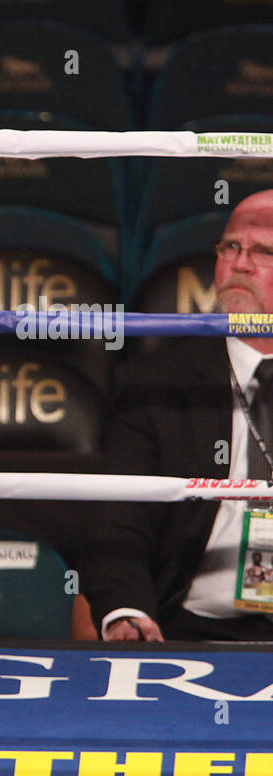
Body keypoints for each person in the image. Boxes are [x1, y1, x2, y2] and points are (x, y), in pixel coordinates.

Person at [84, 190, 273, 642]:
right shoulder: (158, 384)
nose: (239, 265)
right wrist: (126, 612)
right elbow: (116, 524)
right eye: (230, 247)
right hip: (192, 628)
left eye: (263, 251)